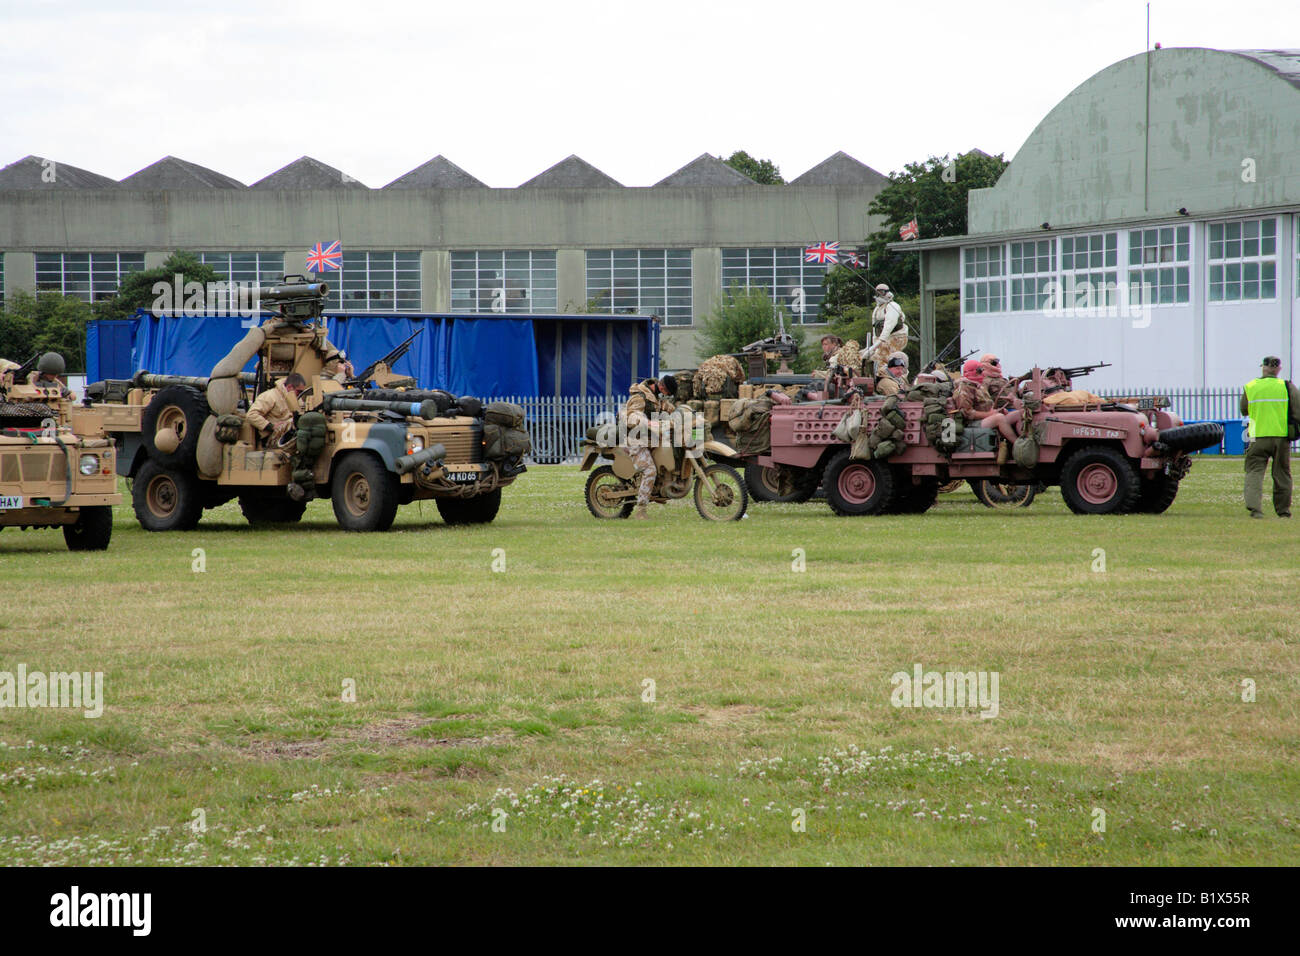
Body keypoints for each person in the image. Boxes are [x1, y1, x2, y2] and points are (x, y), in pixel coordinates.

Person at [1240, 356, 1298, 519]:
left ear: (1263, 368)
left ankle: (1255, 509)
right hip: (1281, 436)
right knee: (1282, 473)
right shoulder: (1286, 386)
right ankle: (1283, 511)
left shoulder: (1250, 386)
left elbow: (1244, 410)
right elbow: (1298, 410)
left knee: (1254, 472)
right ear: (1278, 369)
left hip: (1258, 436)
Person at [621, 375, 677, 519]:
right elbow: (631, 416)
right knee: (650, 470)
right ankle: (641, 510)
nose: (666, 396)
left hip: (650, 439)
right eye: (667, 394)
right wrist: (648, 423)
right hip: (635, 440)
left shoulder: (655, 397)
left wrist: (684, 414)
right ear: (662, 387)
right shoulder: (640, 397)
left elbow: (669, 408)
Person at [246, 373, 306, 446]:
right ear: (290, 387)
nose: (300, 394)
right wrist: (271, 426)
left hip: (290, 434)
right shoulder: (270, 396)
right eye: (299, 391)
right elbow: (251, 415)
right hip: (273, 437)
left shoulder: (297, 398)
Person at [863, 284, 909, 372]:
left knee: (881, 358)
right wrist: (873, 346)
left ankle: (896, 376)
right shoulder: (877, 309)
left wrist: (876, 345)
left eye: (882, 292)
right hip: (883, 339)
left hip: (896, 338)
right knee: (871, 358)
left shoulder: (892, 306)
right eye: (878, 292)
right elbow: (875, 328)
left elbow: (888, 326)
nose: (880, 295)